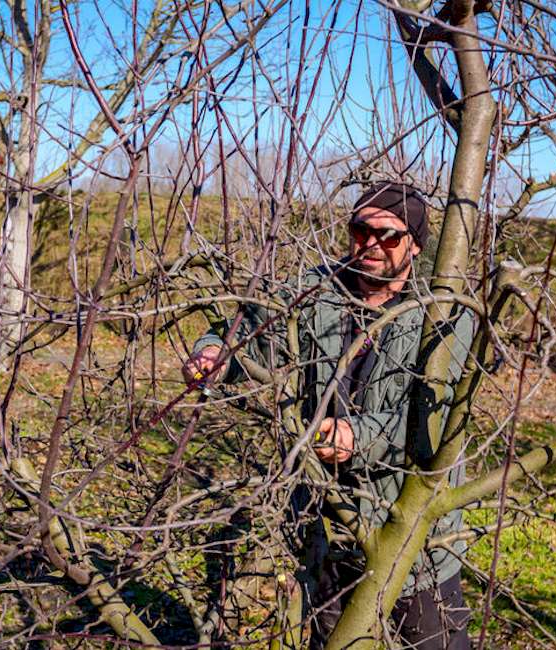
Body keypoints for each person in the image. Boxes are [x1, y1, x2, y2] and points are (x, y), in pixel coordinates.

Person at [182, 182, 473, 649]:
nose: (372, 244)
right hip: (326, 526)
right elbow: (246, 336)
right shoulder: (312, 293)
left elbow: (438, 420)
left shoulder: (444, 315)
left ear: (415, 245)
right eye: (360, 230)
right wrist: (214, 354)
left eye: (389, 236)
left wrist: (357, 436)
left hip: (412, 537)